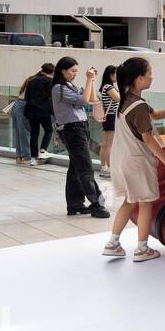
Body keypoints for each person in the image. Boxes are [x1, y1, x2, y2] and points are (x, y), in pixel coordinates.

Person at [102, 57, 165, 262]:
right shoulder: (137, 106)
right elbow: (148, 138)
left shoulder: (128, 100)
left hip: (121, 160)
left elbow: (155, 115)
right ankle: (142, 249)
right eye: (149, 74)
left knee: (129, 202)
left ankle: (112, 243)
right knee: (146, 203)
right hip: (136, 161)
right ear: (139, 79)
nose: (152, 77)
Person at [50, 56, 110, 218]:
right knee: (85, 167)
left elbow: (91, 98)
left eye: (77, 71)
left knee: (76, 168)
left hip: (79, 128)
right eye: (72, 71)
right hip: (72, 129)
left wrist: (92, 80)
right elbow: (84, 101)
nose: (75, 74)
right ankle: (97, 204)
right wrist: (89, 79)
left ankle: (75, 205)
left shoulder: (70, 86)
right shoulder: (59, 88)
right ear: (63, 71)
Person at [23, 62, 55, 163]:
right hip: (44, 111)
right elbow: (51, 97)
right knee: (48, 130)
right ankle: (43, 150)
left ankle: (33, 158)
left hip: (31, 110)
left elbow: (26, 97)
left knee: (34, 134)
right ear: (52, 72)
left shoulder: (32, 80)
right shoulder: (49, 81)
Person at [97, 65, 119, 180]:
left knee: (105, 144)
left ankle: (103, 167)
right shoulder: (109, 87)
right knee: (109, 144)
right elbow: (119, 99)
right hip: (111, 117)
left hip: (107, 116)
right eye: (116, 74)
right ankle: (110, 168)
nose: (117, 76)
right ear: (111, 75)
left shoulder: (104, 86)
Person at [10, 71, 35, 164]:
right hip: (23, 105)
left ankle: (20, 156)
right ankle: (25, 156)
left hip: (18, 104)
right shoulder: (33, 84)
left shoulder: (28, 83)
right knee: (24, 132)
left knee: (19, 132)